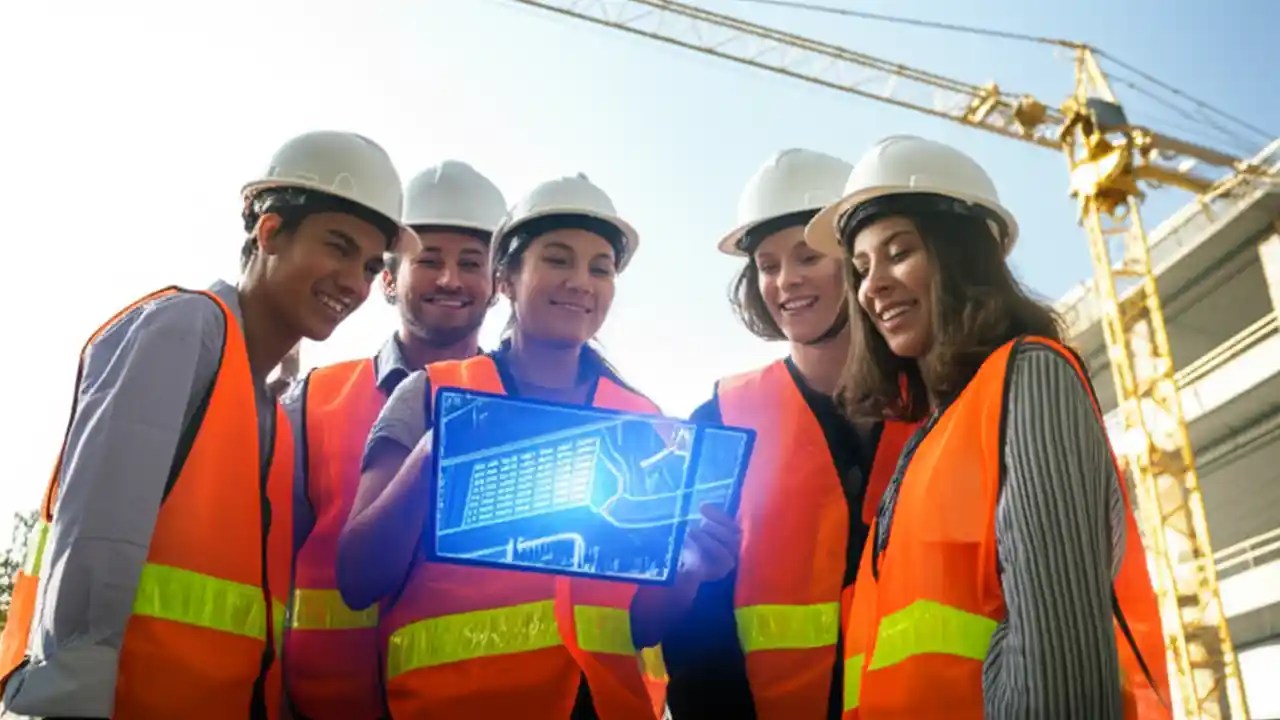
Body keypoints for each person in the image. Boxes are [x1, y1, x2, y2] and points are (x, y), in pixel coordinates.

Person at [0, 130, 406, 720]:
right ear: (270, 232)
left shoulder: (272, 410)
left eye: (370, 266)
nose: (355, 283)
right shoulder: (183, 330)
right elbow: (97, 531)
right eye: (338, 247)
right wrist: (69, 698)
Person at [336, 173, 741, 719]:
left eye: (600, 268)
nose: (580, 282)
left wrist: (690, 570)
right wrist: (438, 453)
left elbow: (639, 625)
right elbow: (357, 578)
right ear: (505, 279)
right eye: (557, 260)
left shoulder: (643, 424)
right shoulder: (431, 395)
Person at [804, 134, 1172, 720]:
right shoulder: (929, 438)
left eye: (899, 252)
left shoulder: (1032, 377)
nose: (872, 286)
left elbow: (1061, 678)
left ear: (962, 255)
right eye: (862, 268)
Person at [660, 149, 916, 720]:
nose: (785, 281)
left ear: (858, 261)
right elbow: (697, 633)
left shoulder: (937, 401)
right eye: (767, 265)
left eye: (808, 256)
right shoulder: (720, 419)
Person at [281, 160, 507, 720]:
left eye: (471, 263)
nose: (450, 279)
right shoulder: (313, 402)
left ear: (496, 286)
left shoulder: (518, 412)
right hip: (323, 708)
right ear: (388, 279)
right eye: (429, 261)